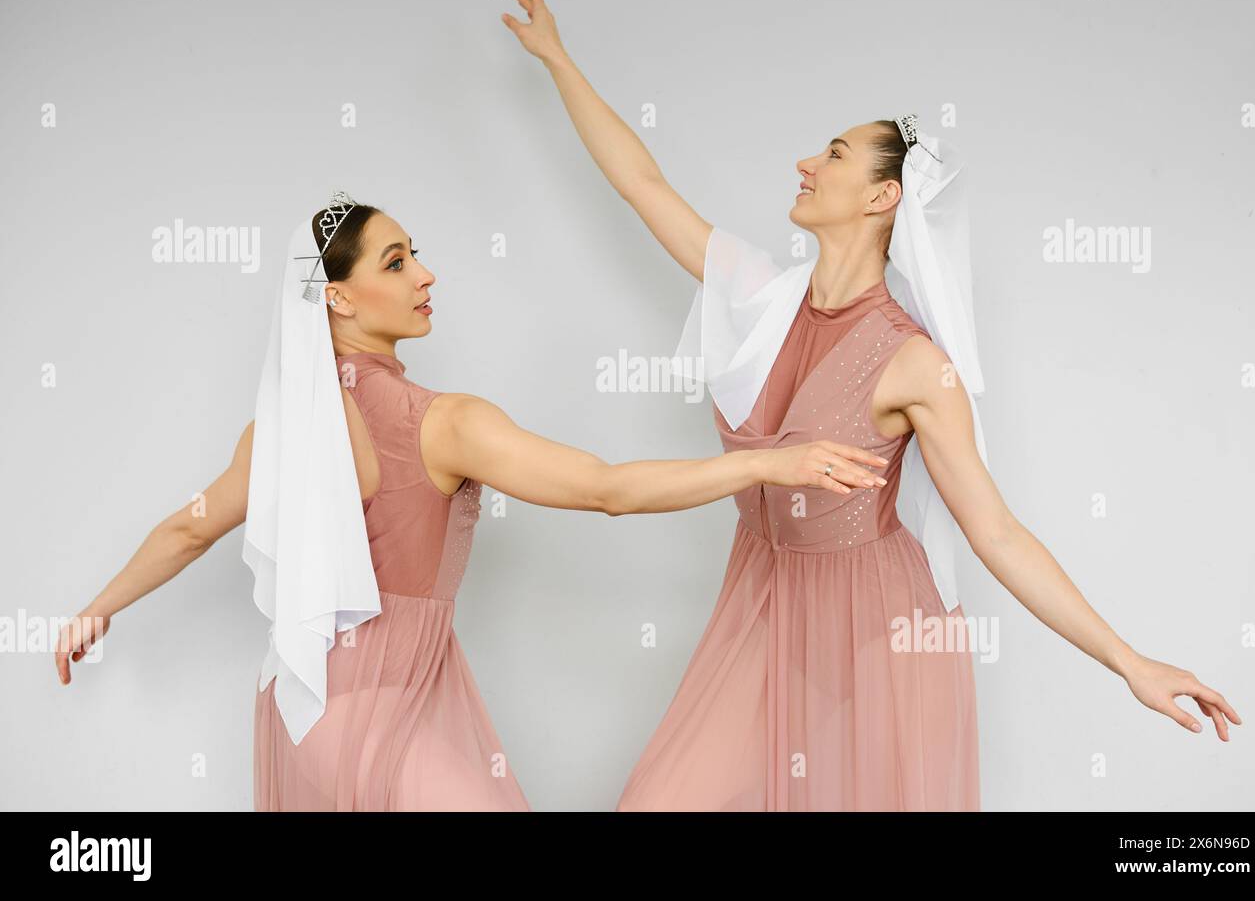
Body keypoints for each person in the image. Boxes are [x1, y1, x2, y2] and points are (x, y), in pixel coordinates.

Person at [501, 0, 1242, 810]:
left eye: (834, 157)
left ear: (883, 198)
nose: (806, 164)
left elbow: (995, 531)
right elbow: (644, 184)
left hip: (875, 627)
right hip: (761, 595)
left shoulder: (913, 363)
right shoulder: (757, 295)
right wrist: (559, 59)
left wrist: (1130, 661)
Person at [53, 193, 884, 811]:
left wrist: (98, 608)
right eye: (395, 262)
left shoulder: (280, 427)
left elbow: (187, 529)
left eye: (415, 253)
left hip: (304, 710)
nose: (425, 274)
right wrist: (766, 465)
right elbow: (607, 490)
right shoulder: (442, 423)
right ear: (336, 298)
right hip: (381, 709)